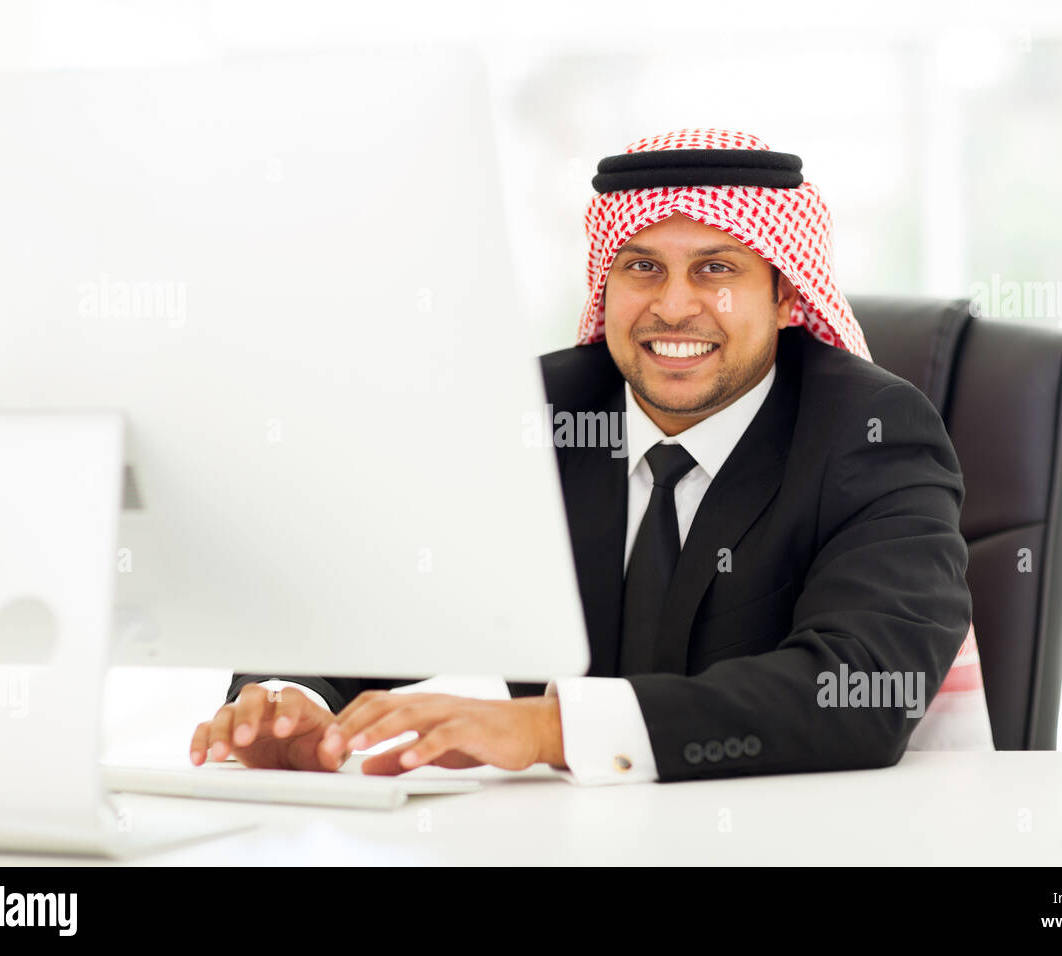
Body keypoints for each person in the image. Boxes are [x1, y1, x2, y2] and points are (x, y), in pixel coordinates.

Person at [190, 128, 982, 783]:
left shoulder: (872, 432)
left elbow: (861, 689)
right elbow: (373, 584)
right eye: (642, 267)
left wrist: (547, 729)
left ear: (784, 295)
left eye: (716, 268)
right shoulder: (537, 415)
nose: (674, 305)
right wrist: (291, 700)